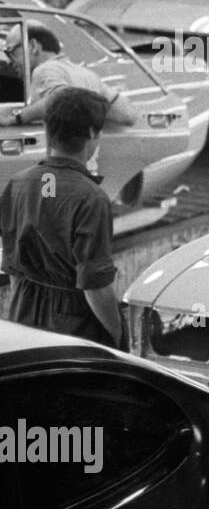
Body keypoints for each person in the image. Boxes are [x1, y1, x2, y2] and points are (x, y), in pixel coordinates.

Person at [0, 87, 123, 348]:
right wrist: (120, 336)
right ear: (91, 133)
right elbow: (96, 287)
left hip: (22, 310)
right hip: (74, 325)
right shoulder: (91, 198)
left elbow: (11, 266)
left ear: (48, 129)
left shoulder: (17, 184)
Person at [0, 22, 137, 128]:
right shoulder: (86, 74)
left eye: (10, 51)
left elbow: (61, 100)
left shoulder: (44, 69)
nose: (9, 60)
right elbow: (128, 114)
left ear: (33, 46)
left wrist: (17, 117)